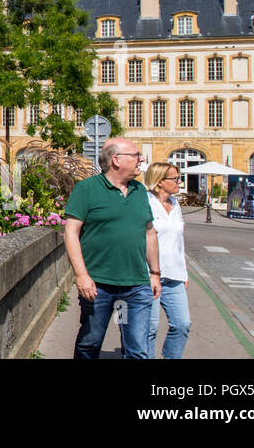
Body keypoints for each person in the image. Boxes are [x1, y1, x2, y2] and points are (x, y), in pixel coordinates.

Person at [63, 138, 162, 358]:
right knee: (90, 343)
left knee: (138, 348)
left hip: (136, 285)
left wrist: (155, 273)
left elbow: (149, 232)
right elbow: (71, 232)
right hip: (99, 285)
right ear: (116, 160)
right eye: (136, 155)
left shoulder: (138, 189)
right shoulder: (87, 189)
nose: (141, 159)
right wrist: (81, 275)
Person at [144, 162, 190, 359]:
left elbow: (179, 241)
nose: (180, 182)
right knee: (150, 327)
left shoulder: (175, 203)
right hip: (149, 274)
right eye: (175, 178)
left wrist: (185, 273)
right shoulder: (145, 202)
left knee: (182, 324)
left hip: (175, 275)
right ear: (160, 181)